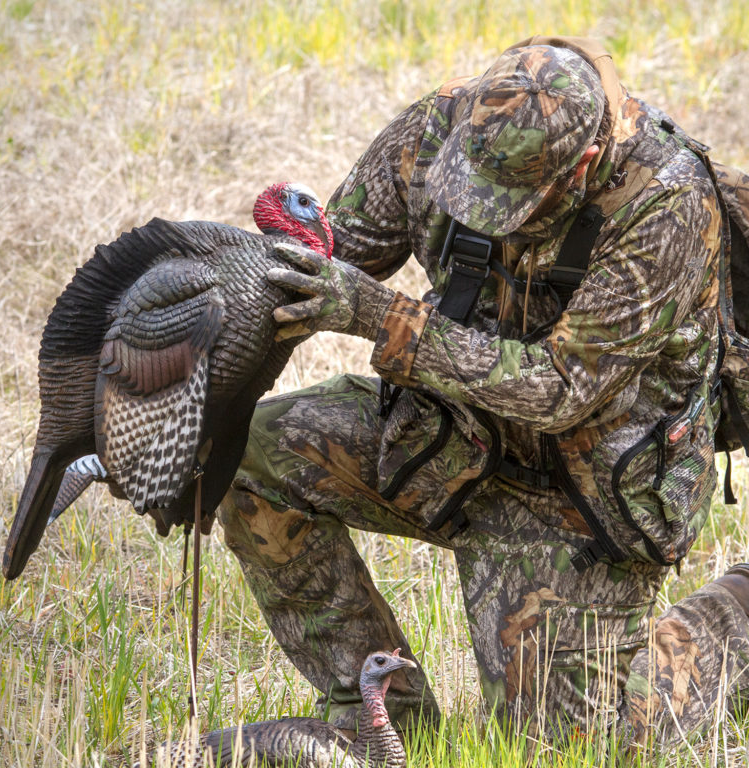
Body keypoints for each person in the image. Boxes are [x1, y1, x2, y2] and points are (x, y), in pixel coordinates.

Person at [217, 36, 749, 745]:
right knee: (250, 455)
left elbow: (561, 388)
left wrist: (379, 316)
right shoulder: (441, 125)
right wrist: (193, 354)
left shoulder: (666, 204)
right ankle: (383, 723)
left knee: (563, 753)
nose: (484, 209)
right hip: (446, 438)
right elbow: (329, 258)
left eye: (514, 199)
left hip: (581, 497)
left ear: (585, 162)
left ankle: (735, 618)